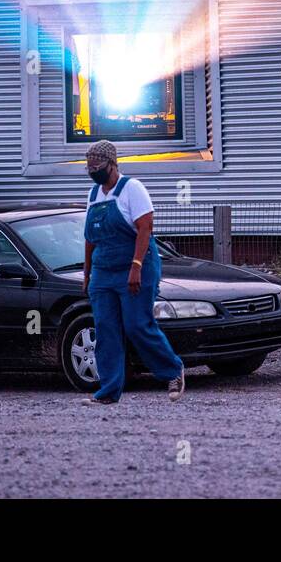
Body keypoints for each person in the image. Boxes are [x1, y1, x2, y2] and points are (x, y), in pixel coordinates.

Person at [82, 139, 186, 405]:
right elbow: (90, 239)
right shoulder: (94, 195)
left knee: (137, 325)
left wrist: (136, 267)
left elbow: (145, 228)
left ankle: (172, 371)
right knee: (105, 329)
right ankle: (108, 391)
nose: (93, 171)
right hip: (104, 270)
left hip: (136, 265)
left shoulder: (132, 189)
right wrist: (87, 273)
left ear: (112, 164)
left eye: (97, 166)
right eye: (89, 167)